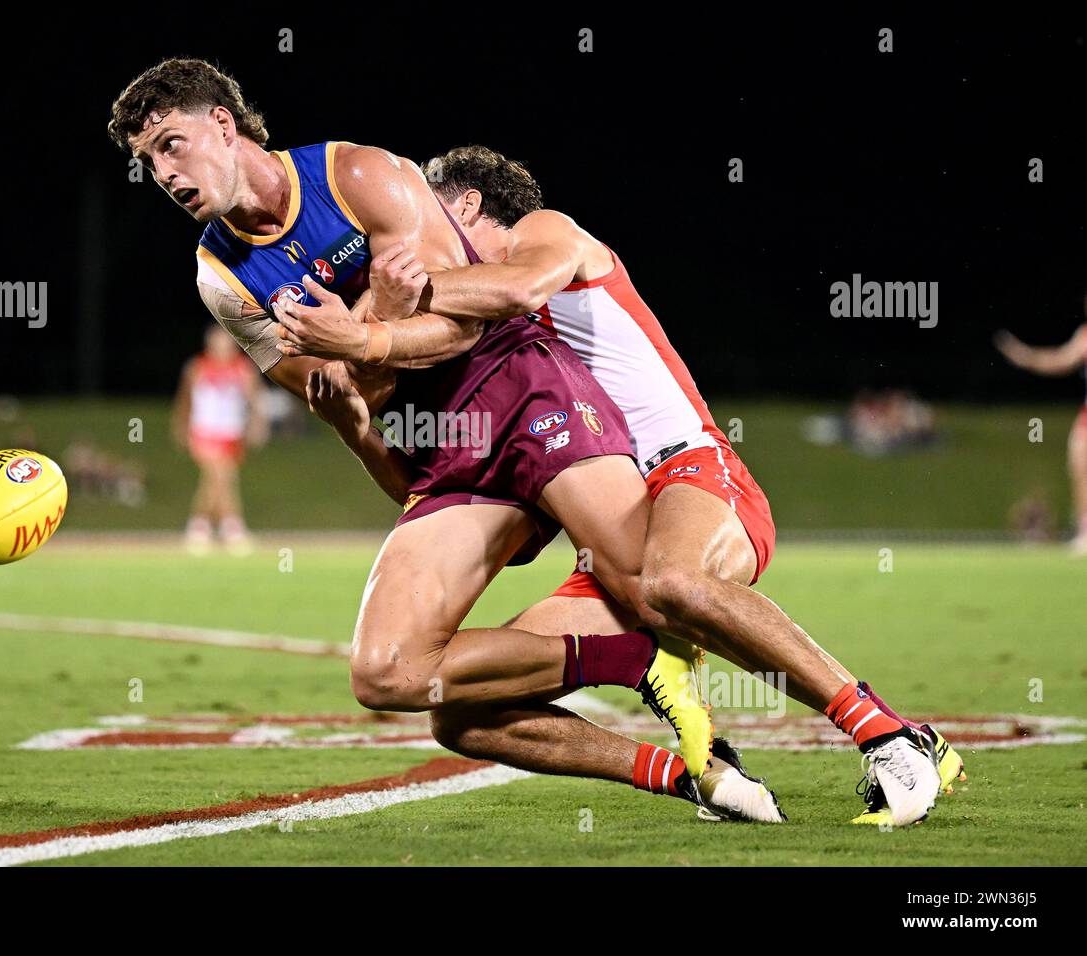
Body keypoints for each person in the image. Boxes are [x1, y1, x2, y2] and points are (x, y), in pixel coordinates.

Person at [278, 144, 956, 825]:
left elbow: (517, 289)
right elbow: (427, 491)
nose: (414, 237)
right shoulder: (465, 353)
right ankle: (696, 774)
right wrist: (356, 413)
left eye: (428, 216)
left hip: (690, 469)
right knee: (457, 711)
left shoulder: (541, 231)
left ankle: (890, 737)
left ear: (466, 206)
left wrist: (384, 315)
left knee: (671, 587)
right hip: (613, 530)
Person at [996, 313, 1087, 556]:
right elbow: (1059, 360)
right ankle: (1085, 530)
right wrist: (1026, 357)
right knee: (1079, 466)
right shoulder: (1085, 335)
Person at [173, 325, 267, 552]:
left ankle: (199, 526)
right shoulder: (197, 368)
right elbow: (184, 401)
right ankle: (233, 528)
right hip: (204, 431)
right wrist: (180, 427)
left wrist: (257, 425)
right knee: (222, 476)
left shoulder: (243, 370)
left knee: (214, 480)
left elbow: (255, 401)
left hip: (231, 432)